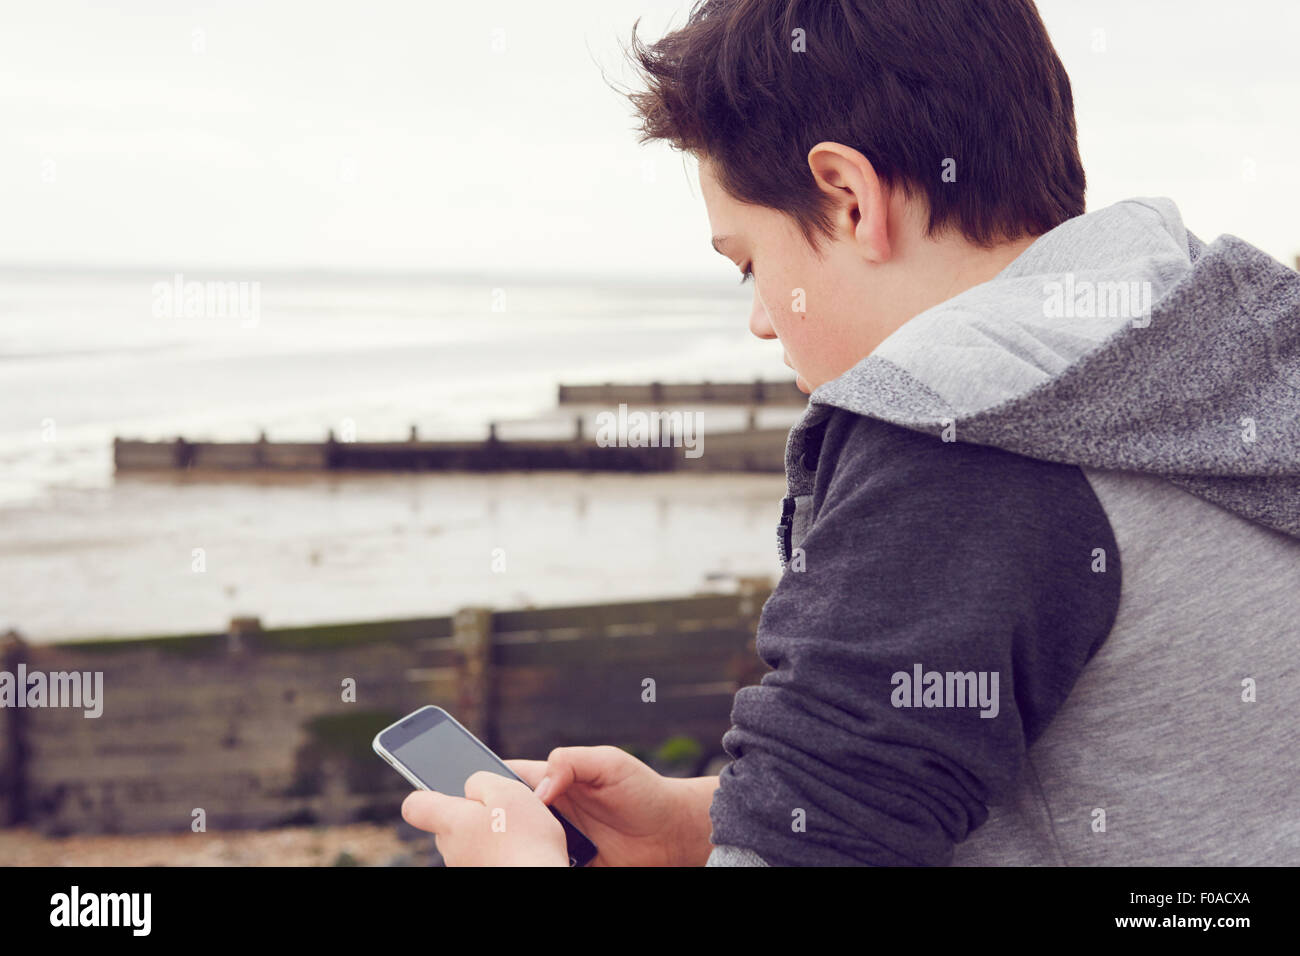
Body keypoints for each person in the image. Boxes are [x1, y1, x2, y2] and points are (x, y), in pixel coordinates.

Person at [400, 0, 1300, 865]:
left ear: (847, 197)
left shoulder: (961, 447)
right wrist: (700, 824)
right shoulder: (1217, 356)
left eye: (750, 263)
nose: (760, 319)